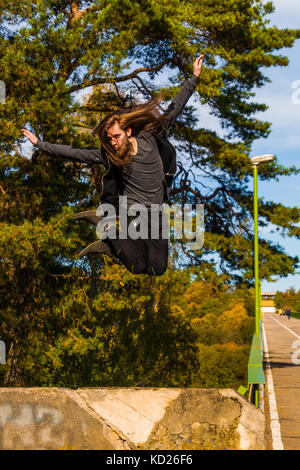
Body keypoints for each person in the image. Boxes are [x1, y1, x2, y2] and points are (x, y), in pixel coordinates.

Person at [21, 55, 204, 276]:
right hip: (132, 214)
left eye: (116, 137)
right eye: (109, 140)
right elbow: (75, 153)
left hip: (155, 213)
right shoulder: (110, 155)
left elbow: (175, 108)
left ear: (127, 131)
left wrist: (194, 77)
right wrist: (40, 144)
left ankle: (109, 244)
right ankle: (108, 235)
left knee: (158, 268)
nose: (113, 143)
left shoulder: (150, 137)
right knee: (137, 267)